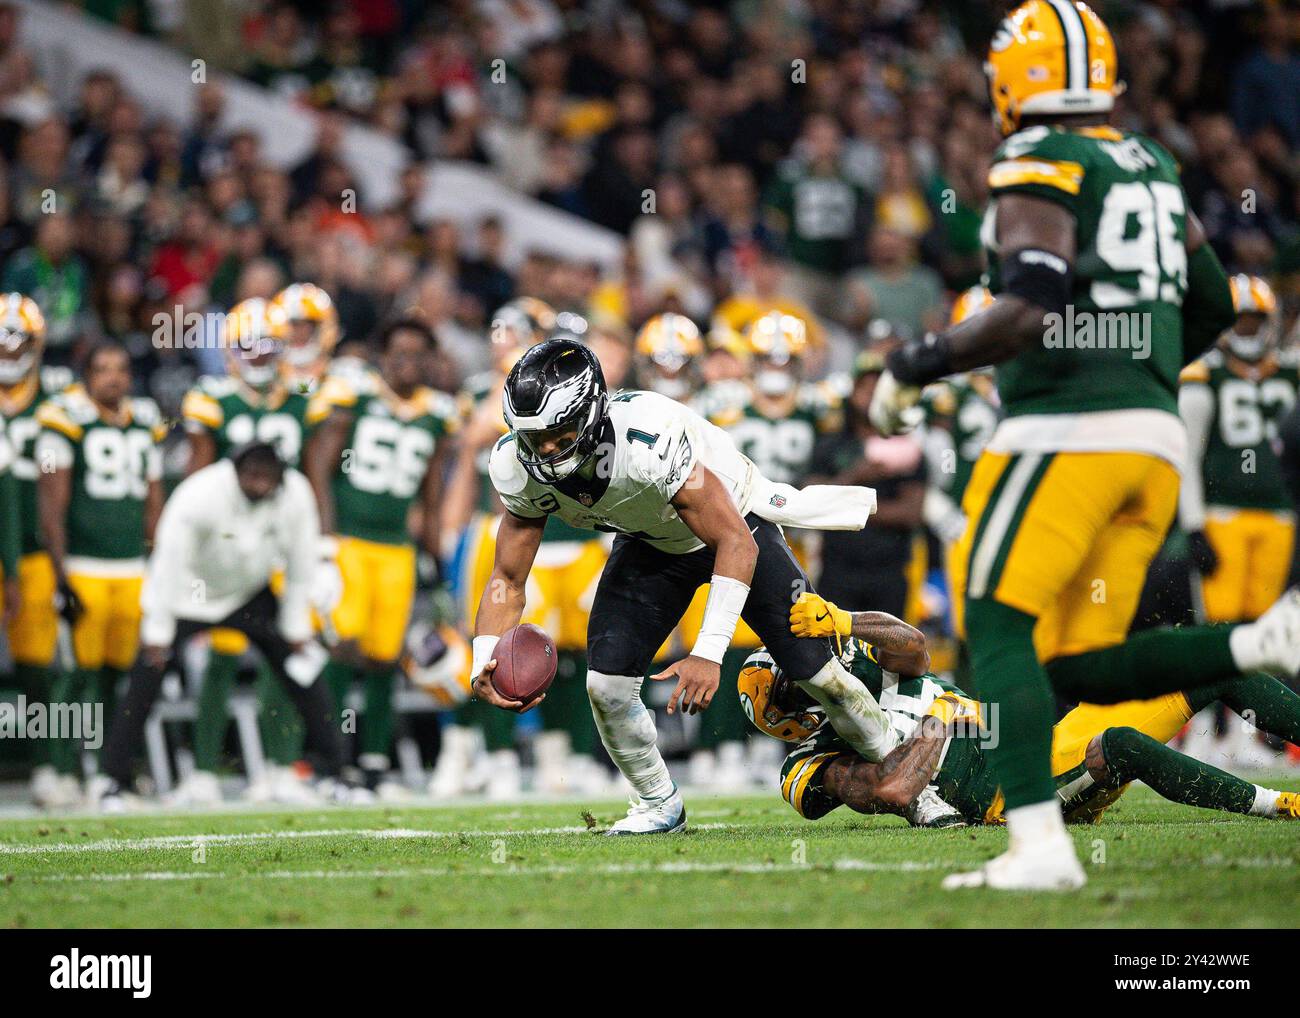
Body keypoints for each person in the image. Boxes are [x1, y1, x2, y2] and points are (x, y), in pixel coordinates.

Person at [868, 1, 1296, 890]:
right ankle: (1253, 647)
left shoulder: (1038, 154)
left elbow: (1027, 301)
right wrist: (1138, 370)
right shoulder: (1150, 162)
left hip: (1067, 427)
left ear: (1013, 80)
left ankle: (1039, 850)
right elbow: (1213, 306)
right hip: (1148, 437)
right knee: (1072, 663)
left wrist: (912, 366)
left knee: (993, 620)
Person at [470, 334, 923, 836]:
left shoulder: (648, 439)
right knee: (606, 685)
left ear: (593, 412)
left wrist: (708, 654)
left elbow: (735, 544)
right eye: (534, 440)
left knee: (821, 676)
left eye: (559, 433)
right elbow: (508, 578)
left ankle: (908, 779)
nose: (547, 451)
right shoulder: (516, 466)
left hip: (735, 525)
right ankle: (657, 803)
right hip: (649, 540)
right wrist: (484, 656)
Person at [755, 591, 1300, 826]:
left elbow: (915, 645)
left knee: (1210, 664)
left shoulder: (868, 675)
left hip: (1042, 737)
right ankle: (1279, 806)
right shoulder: (807, 766)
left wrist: (843, 620)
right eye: (799, 681)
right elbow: (894, 791)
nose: (820, 674)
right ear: (790, 715)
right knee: (1121, 748)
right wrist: (936, 726)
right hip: (1012, 793)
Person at [93, 441, 348, 810]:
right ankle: (111, 780)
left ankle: (338, 772)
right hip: (190, 593)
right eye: (252, 473)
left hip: (248, 594)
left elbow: (300, 562)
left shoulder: (295, 494)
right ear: (236, 470)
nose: (260, 482)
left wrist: (295, 628)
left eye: (268, 475)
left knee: (304, 670)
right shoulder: (201, 494)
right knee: (147, 675)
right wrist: (158, 630)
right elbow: (168, 561)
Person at [304, 318, 456, 794]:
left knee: (383, 658)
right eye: (399, 351)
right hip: (349, 540)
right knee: (340, 648)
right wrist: (325, 542)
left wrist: (432, 556)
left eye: (418, 353)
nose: (408, 361)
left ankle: (371, 765)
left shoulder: (437, 413)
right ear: (383, 356)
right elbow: (319, 467)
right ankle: (328, 763)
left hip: (396, 549)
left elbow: (431, 497)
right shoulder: (355, 394)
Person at [35, 342, 165, 799]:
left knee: (119, 674)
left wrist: (159, 562)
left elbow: (153, 502)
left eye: (121, 369)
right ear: (86, 375)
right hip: (85, 566)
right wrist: (60, 574)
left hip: (132, 569)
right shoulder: (65, 418)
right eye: (102, 369)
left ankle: (110, 770)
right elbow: (52, 507)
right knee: (75, 674)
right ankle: (60, 768)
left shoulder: (146, 421)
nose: (113, 377)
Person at [0, 293, 76, 808]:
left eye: (18, 338)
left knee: (38, 666)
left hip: (34, 550)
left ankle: (50, 764)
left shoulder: (59, 392)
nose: (10, 349)